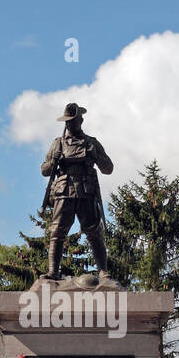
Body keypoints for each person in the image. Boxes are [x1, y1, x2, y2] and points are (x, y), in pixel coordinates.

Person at [40, 102, 115, 284]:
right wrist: (53, 162)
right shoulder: (57, 144)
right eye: (67, 122)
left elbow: (108, 168)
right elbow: (44, 170)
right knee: (57, 231)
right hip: (63, 192)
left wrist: (95, 156)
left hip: (86, 191)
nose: (69, 125)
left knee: (94, 232)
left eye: (72, 121)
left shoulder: (92, 142)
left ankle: (103, 272)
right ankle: (53, 271)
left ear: (80, 121)